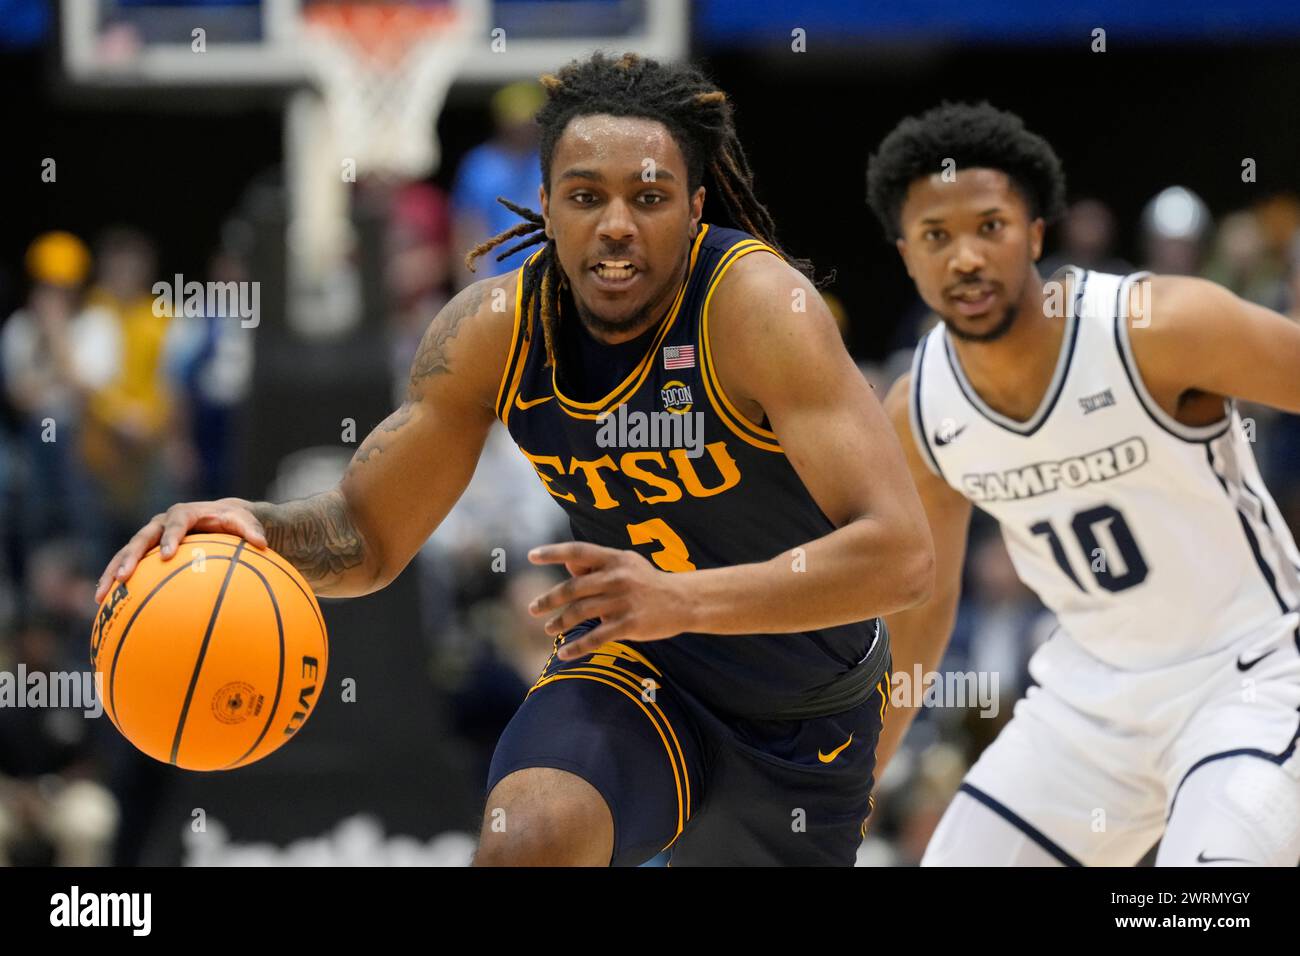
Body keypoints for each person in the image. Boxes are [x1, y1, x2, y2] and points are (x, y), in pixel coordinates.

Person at [95, 52, 933, 867]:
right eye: (584, 195)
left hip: (803, 711)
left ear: (695, 206)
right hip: (637, 672)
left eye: (649, 197)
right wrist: (259, 531)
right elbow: (367, 533)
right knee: (530, 837)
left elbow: (901, 556)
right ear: (546, 203)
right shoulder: (494, 329)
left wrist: (682, 599)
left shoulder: (758, 309)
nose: (614, 223)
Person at [868, 101, 1300, 866]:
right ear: (907, 255)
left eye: (990, 227)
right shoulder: (920, 408)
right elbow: (919, 613)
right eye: (937, 237)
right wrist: (856, 785)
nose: (965, 257)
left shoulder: (1158, 327)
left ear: (1036, 233)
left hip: (1249, 680)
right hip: (1088, 706)